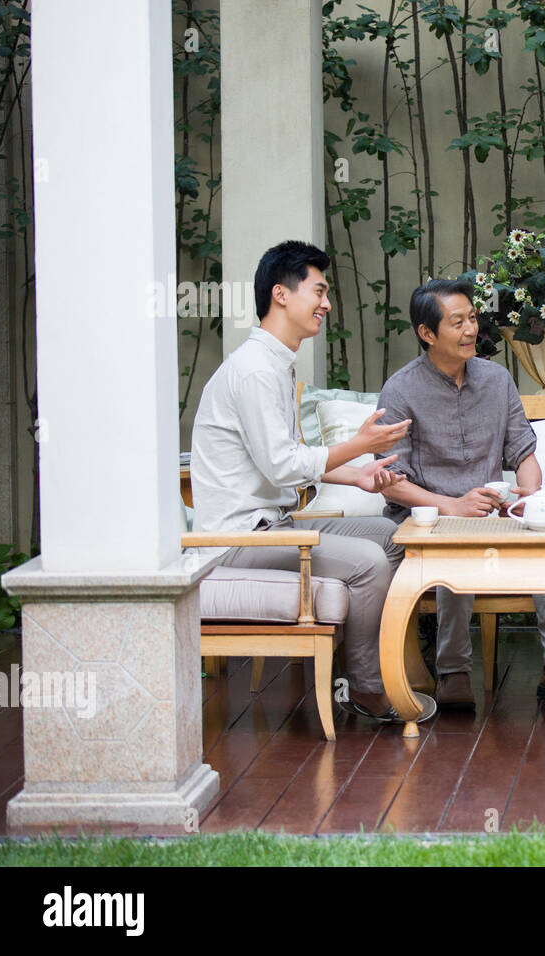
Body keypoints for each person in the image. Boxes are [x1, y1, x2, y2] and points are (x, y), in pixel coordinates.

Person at [191, 240, 435, 725]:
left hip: (274, 526)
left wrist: (358, 475)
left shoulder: (274, 365)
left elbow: (284, 458)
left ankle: (367, 666)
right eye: (318, 291)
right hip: (237, 539)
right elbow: (283, 467)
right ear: (281, 294)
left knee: (392, 536)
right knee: (366, 562)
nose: (326, 303)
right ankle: (366, 687)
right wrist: (361, 445)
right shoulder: (256, 371)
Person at [377, 278, 545, 708]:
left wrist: (529, 497)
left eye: (473, 318)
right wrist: (453, 506)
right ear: (427, 334)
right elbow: (394, 482)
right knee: (457, 548)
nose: (470, 330)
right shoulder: (400, 390)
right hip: (428, 519)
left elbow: (525, 454)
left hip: (494, 514)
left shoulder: (496, 380)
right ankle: (454, 671)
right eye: (457, 322)